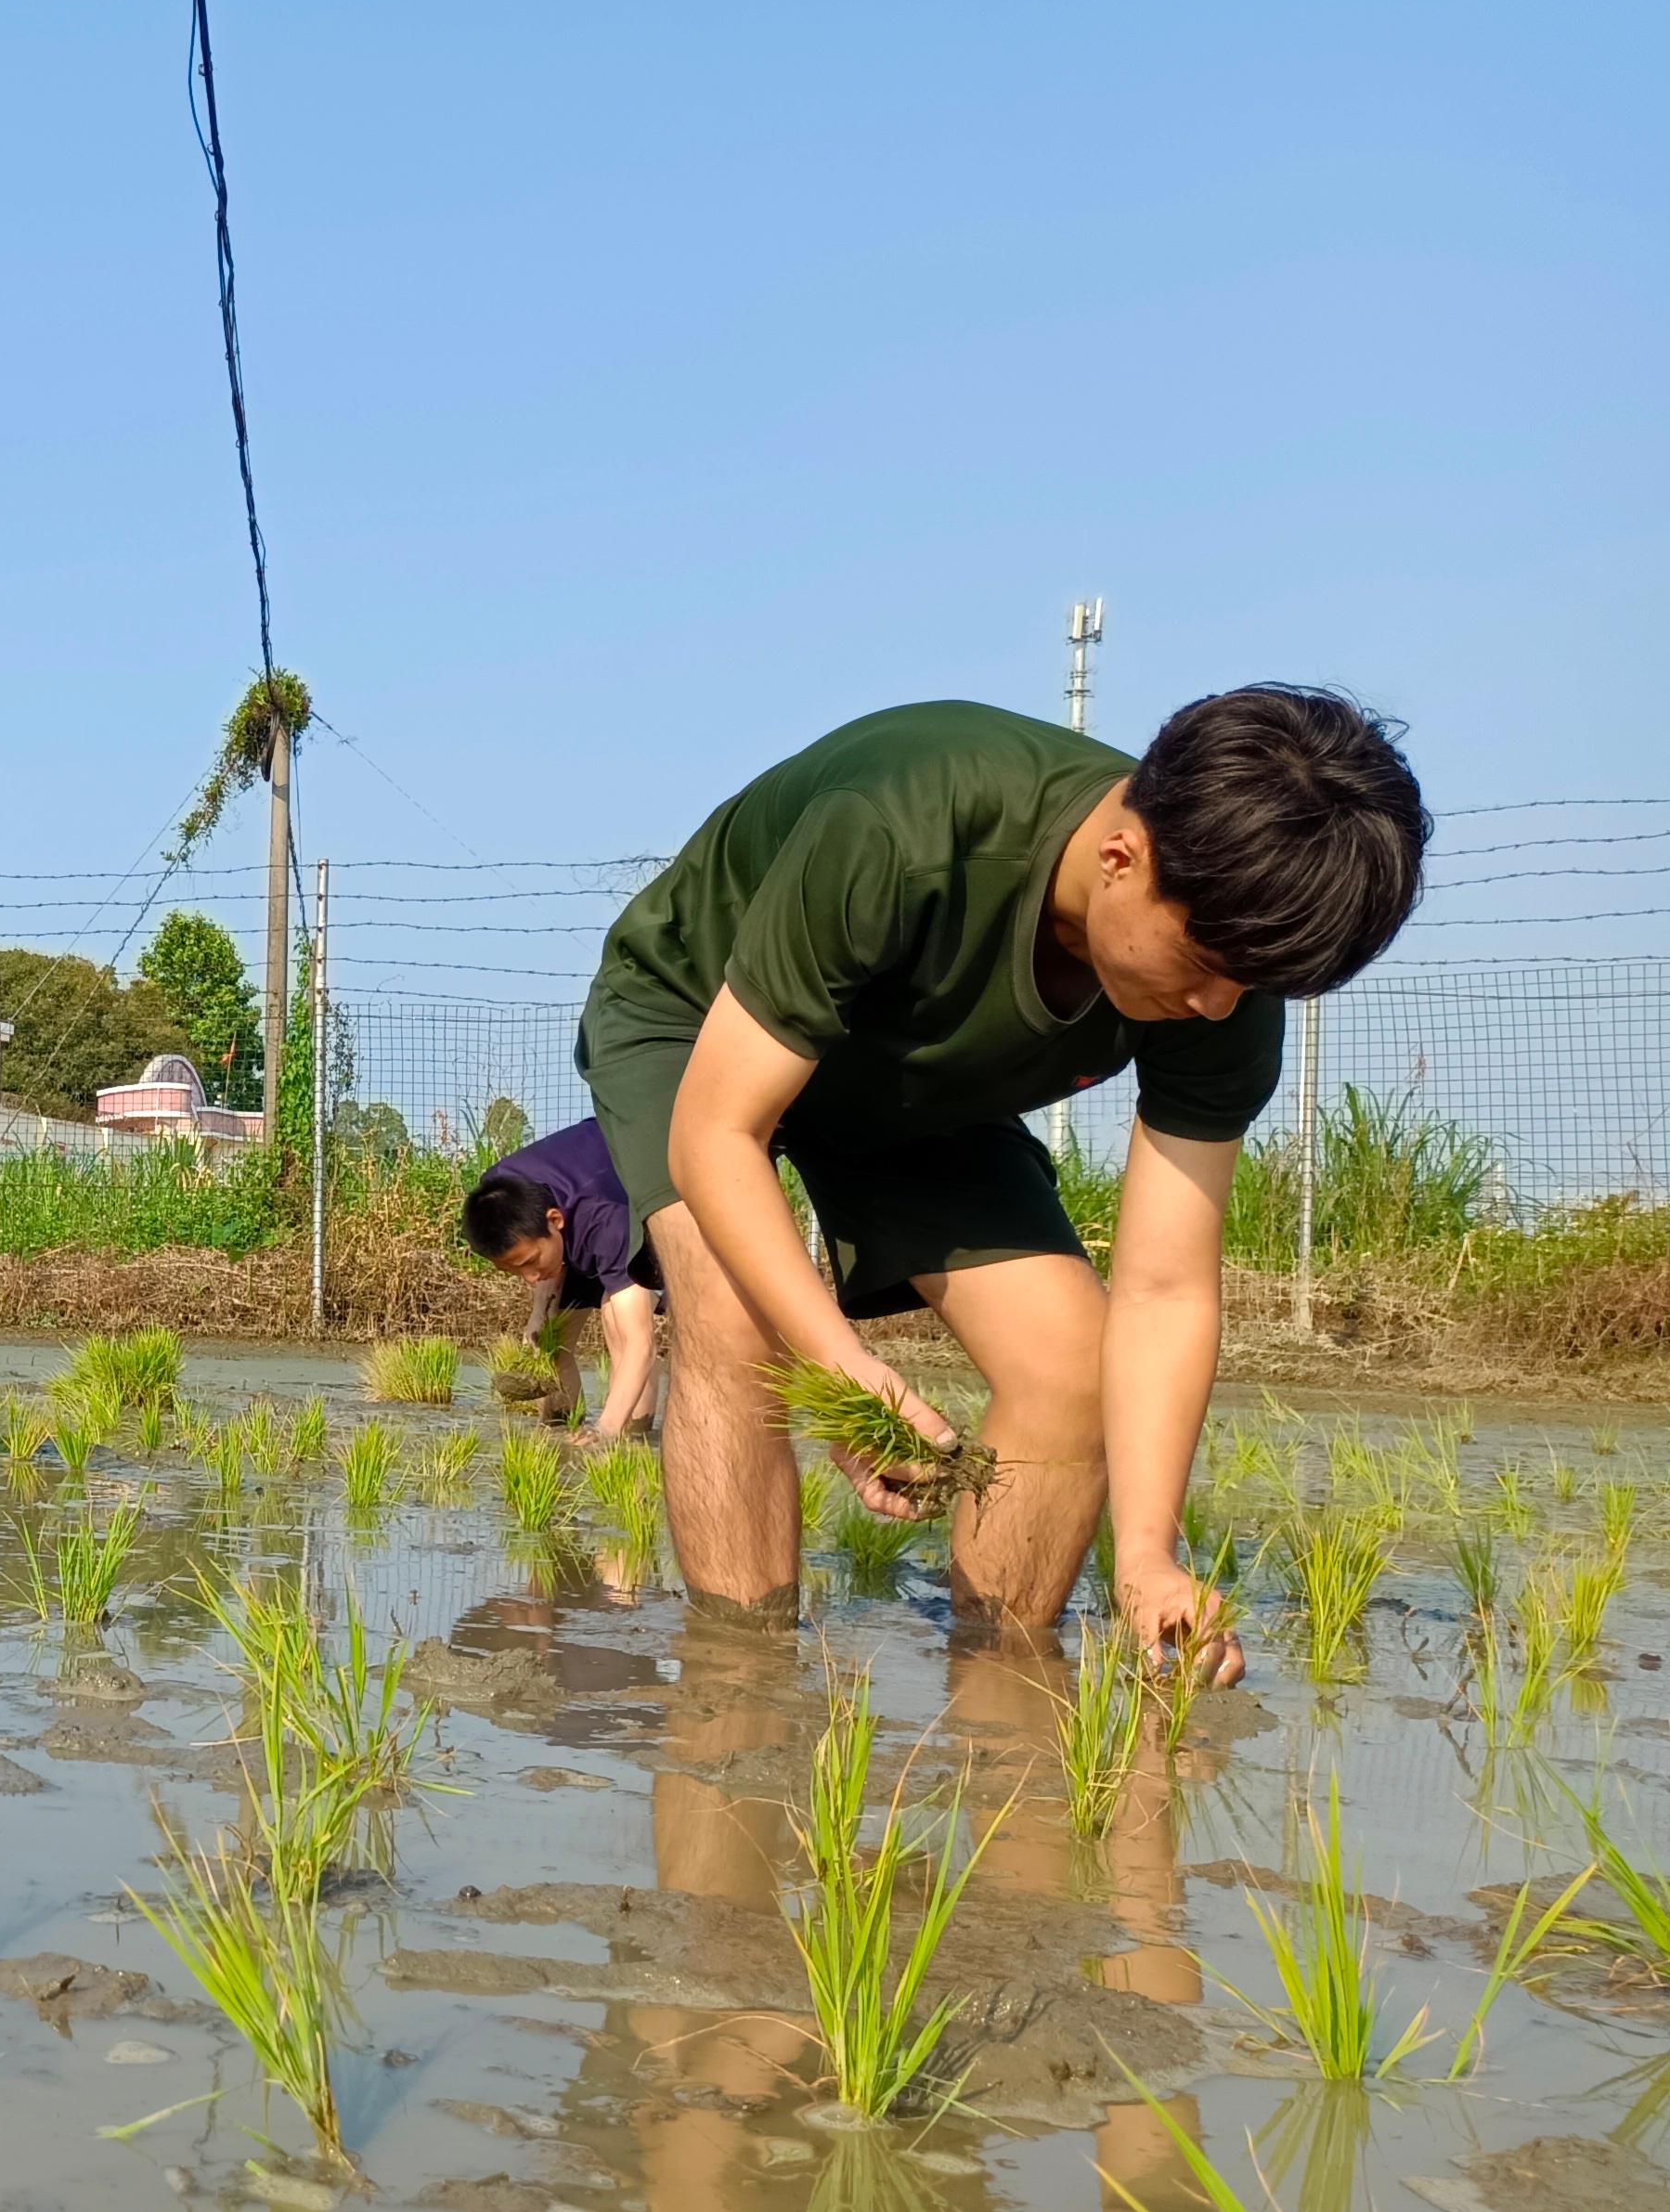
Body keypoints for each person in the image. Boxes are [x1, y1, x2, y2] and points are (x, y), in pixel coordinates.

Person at [575, 688, 1425, 1668]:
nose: (1216, 1005)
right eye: (1203, 963)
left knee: (1069, 1363)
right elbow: (718, 1133)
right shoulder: (901, 826)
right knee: (737, 1320)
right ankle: (740, 1689)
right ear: (1123, 857)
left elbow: (1164, 1288)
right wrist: (845, 1375)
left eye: (1252, 982)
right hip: (696, 1015)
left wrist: (1147, 1556)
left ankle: (1002, 1698)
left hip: (915, 1078)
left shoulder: (1230, 972)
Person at [461, 1117, 663, 1440]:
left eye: (530, 1263)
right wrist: (539, 1315)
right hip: (578, 1203)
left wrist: (604, 1431)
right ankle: (560, 1433)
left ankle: (631, 1438)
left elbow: (642, 1345)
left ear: (555, 1220)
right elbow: (537, 1250)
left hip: (637, 1193)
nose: (529, 1279)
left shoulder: (606, 1222)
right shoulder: (496, 1197)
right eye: (513, 1270)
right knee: (550, 1341)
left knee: (617, 1322)